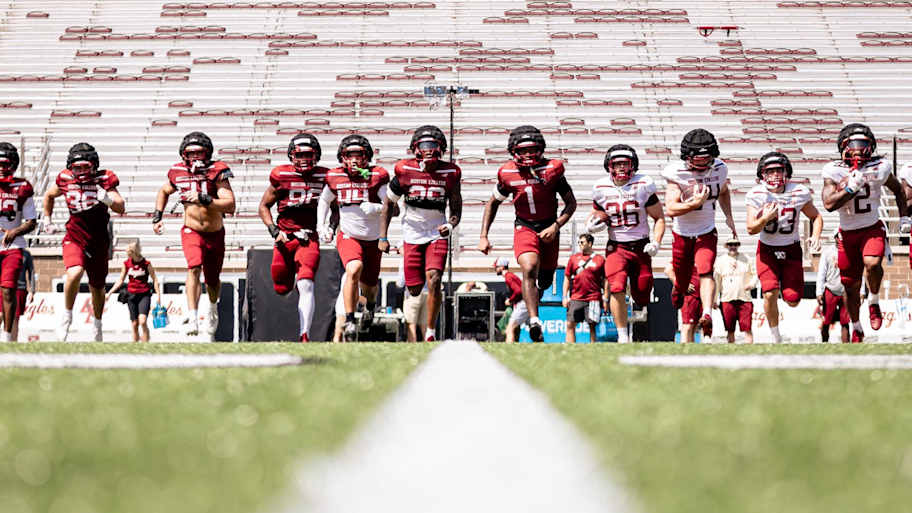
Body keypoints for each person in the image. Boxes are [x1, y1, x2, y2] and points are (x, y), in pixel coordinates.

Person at [478, 126, 577, 342]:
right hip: (525, 226)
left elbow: (571, 203)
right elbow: (492, 203)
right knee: (529, 267)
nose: (528, 155)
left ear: (541, 149)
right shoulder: (507, 173)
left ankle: (534, 307)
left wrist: (556, 226)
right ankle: (534, 320)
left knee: (545, 280)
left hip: (549, 226)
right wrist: (483, 235)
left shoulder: (552, 169)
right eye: (523, 150)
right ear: (514, 151)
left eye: (532, 149)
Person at [821, 123, 909, 342]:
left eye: (863, 144)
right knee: (850, 287)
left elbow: (898, 190)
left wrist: (904, 217)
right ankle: (857, 327)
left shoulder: (880, 166)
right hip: (847, 232)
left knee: (872, 263)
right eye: (853, 144)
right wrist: (850, 188)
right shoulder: (833, 170)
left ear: (871, 146)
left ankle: (874, 301)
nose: (858, 149)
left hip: (871, 227)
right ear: (843, 147)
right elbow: (828, 204)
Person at [379, 125, 462, 342]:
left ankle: (431, 331)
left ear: (441, 148)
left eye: (433, 145)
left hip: (437, 231)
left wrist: (450, 226)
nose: (429, 149)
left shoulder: (451, 172)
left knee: (434, 278)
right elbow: (388, 204)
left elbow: (456, 206)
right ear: (415, 148)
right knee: (414, 289)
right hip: (412, 232)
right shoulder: (404, 169)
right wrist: (383, 237)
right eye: (424, 145)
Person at [153, 132, 235, 338]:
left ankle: (212, 307)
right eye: (191, 153)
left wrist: (204, 198)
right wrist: (157, 216)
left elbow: (230, 205)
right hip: (191, 230)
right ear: (184, 154)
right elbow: (164, 191)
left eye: (199, 153)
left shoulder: (217, 171)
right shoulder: (178, 171)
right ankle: (193, 317)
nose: (195, 157)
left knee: (213, 281)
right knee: (194, 267)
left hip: (215, 232)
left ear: (208, 153)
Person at [42, 143, 125, 341]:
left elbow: (121, 207)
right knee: (75, 272)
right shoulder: (65, 178)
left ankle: (97, 325)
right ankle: (66, 316)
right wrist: (47, 219)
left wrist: (108, 200)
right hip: (75, 236)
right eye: (76, 167)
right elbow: (49, 195)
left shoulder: (104, 179)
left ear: (94, 165)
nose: (80, 172)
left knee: (97, 287)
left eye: (85, 167)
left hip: (98, 240)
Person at [662, 129, 737, 339]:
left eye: (706, 158)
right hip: (682, 234)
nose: (703, 164)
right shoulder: (676, 172)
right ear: (687, 156)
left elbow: (723, 191)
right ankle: (678, 288)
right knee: (682, 283)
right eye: (698, 159)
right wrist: (694, 203)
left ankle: (707, 313)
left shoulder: (720, 168)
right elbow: (671, 209)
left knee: (705, 270)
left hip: (706, 231)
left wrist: (729, 216)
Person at [588, 144, 665, 343]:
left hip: (641, 246)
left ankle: (638, 313)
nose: (622, 167)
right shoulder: (600, 188)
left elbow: (659, 218)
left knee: (642, 293)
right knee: (616, 287)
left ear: (633, 165)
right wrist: (592, 224)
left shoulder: (643, 184)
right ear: (609, 166)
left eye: (625, 163)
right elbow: (596, 214)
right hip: (617, 247)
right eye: (617, 163)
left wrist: (656, 243)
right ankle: (622, 335)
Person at [317, 134, 390, 342]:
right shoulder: (335, 176)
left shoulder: (377, 176)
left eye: (359, 155)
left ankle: (370, 307)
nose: (355, 160)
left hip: (373, 239)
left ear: (367, 157)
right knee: (353, 268)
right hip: (349, 235)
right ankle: (349, 319)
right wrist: (321, 226)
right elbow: (324, 201)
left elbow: (394, 209)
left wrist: (377, 207)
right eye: (350, 155)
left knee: (370, 287)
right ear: (343, 157)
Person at [745, 152, 823, 343]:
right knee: (769, 293)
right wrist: (765, 218)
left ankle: (785, 289)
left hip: (791, 249)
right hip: (767, 249)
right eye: (770, 171)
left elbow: (816, 216)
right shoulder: (756, 194)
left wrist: (815, 235)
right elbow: (751, 229)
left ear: (787, 171)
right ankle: (775, 336)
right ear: (762, 174)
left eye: (778, 170)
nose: (775, 175)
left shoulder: (799, 191)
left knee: (793, 300)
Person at [258, 133, 329, 342]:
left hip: (308, 238)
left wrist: (330, 226)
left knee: (306, 283)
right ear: (291, 156)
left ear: (316, 156)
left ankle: (304, 334)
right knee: (281, 287)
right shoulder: (281, 175)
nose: (304, 159)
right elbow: (263, 206)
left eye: (308, 155)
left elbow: (335, 207)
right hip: (285, 239)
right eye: (300, 155)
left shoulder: (326, 177)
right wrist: (273, 230)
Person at [0, 143, 37, 342]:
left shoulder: (22, 187)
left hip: (12, 247)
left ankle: (7, 337)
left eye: (4, 164)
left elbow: (31, 221)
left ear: (13, 165)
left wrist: (15, 231)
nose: (0, 168)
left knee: (8, 290)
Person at [106, 241, 162, 342]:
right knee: (134, 323)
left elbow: (155, 279)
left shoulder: (146, 264)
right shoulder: (126, 264)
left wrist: (158, 295)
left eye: (129, 253)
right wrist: (109, 293)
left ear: (134, 252)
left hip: (144, 294)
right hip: (131, 295)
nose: (127, 255)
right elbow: (120, 280)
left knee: (142, 321)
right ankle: (135, 344)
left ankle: (146, 342)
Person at [562, 233, 605, 343]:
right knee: (570, 324)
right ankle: (570, 348)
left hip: (593, 297)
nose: (580, 244)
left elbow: (605, 280)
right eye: (579, 242)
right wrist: (564, 297)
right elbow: (567, 277)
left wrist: (606, 298)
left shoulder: (600, 259)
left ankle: (593, 348)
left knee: (592, 325)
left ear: (590, 243)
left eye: (582, 242)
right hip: (576, 297)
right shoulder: (574, 258)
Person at [713, 238, 756, 344]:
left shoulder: (746, 258)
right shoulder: (720, 260)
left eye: (735, 244)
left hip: (744, 298)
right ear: (727, 246)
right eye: (730, 244)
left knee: (747, 328)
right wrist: (715, 299)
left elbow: (755, 274)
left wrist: (752, 284)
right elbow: (717, 281)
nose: (733, 247)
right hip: (727, 298)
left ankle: (750, 349)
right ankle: (731, 349)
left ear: (738, 245)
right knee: (730, 329)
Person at [816, 236, 850, 343]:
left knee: (845, 321)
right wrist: (819, 291)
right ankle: (824, 343)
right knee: (826, 320)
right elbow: (821, 272)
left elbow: (858, 271)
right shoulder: (827, 252)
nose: (840, 239)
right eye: (838, 237)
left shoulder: (851, 250)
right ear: (835, 237)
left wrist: (861, 291)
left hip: (846, 290)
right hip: (831, 289)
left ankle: (847, 346)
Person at [0, 248, 35, 342]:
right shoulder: (3, 251)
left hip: (20, 288)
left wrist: (32, 290)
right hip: (4, 287)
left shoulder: (26, 254)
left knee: (15, 318)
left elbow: (31, 272)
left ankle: (12, 342)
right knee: (1, 314)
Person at [666, 262, 702, 343]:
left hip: (699, 296)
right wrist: (682, 285)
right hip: (689, 296)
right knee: (687, 325)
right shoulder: (686, 256)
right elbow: (668, 270)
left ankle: (691, 349)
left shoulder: (700, 257)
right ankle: (683, 348)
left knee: (694, 327)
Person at [494, 257, 525, 343]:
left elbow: (518, 291)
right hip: (525, 303)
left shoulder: (508, 277)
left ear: (502, 267)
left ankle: (509, 345)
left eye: (496, 267)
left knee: (509, 328)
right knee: (515, 328)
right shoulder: (510, 276)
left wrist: (510, 300)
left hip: (523, 304)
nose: (495, 269)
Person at [396, 263, 427, 343]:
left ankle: (412, 344)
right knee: (425, 326)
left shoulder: (404, 261)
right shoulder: (426, 257)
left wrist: (397, 284)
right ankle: (430, 347)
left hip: (413, 293)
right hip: (427, 293)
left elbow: (400, 283)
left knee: (411, 324)